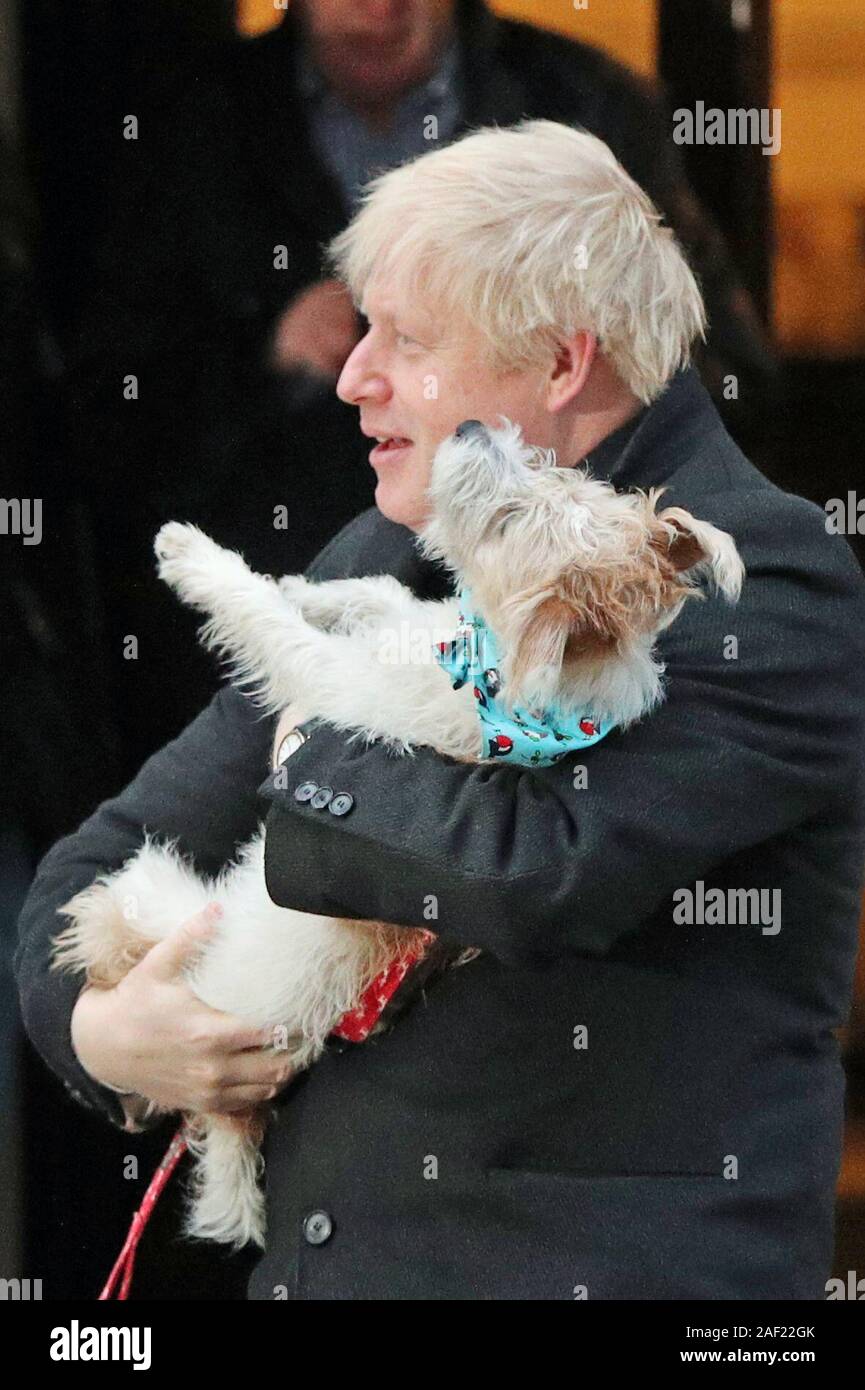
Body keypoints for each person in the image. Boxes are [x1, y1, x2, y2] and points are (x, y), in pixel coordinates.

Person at [18, 119, 863, 1300]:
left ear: (563, 363)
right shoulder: (396, 548)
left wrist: (315, 736)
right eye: (363, 331)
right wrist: (114, 1037)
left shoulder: (754, 573)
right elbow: (93, 865)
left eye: (406, 341)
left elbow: (533, 868)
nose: (354, 376)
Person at [71, 0, 776, 769]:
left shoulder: (588, 105)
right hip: (269, 605)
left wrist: (547, 391)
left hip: (537, 649)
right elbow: (107, 402)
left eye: (409, 340)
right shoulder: (191, 116)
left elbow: (720, 370)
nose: (377, 2)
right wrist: (264, 355)